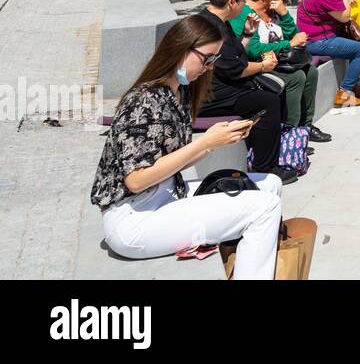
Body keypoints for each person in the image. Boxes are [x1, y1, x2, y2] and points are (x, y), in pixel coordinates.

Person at [91, 14, 285, 279]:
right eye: (206, 58)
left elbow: (177, 159)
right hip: (134, 218)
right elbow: (136, 181)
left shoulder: (179, 93)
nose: (208, 67)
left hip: (166, 196)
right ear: (181, 49)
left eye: (214, 60)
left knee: (271, 183)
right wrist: (205, 142)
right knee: (264, 207)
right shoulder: (143, 101)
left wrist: (218, 141)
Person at [196, 0, 296, 183]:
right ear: (232, 2)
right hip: (210, 95)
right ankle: (265, 167)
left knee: (272, 92)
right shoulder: (212, 29)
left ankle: (277, 148)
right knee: (268, 102)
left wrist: (248, 35)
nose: (244, 8)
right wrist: (262, 67)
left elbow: (231, 57)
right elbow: (234, 70)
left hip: (220, 85)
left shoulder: (214, 21)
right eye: (242, 3)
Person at [230, 0, 328, 146]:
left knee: (311, 71)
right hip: (256, 66)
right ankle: (290, 133)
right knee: (296, 78)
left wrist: (284, 14)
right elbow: (254, 49)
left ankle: (305, 127)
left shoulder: (274, 10)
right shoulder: (244, 12)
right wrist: (287, 45)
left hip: (281, 61)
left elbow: (295, 35)